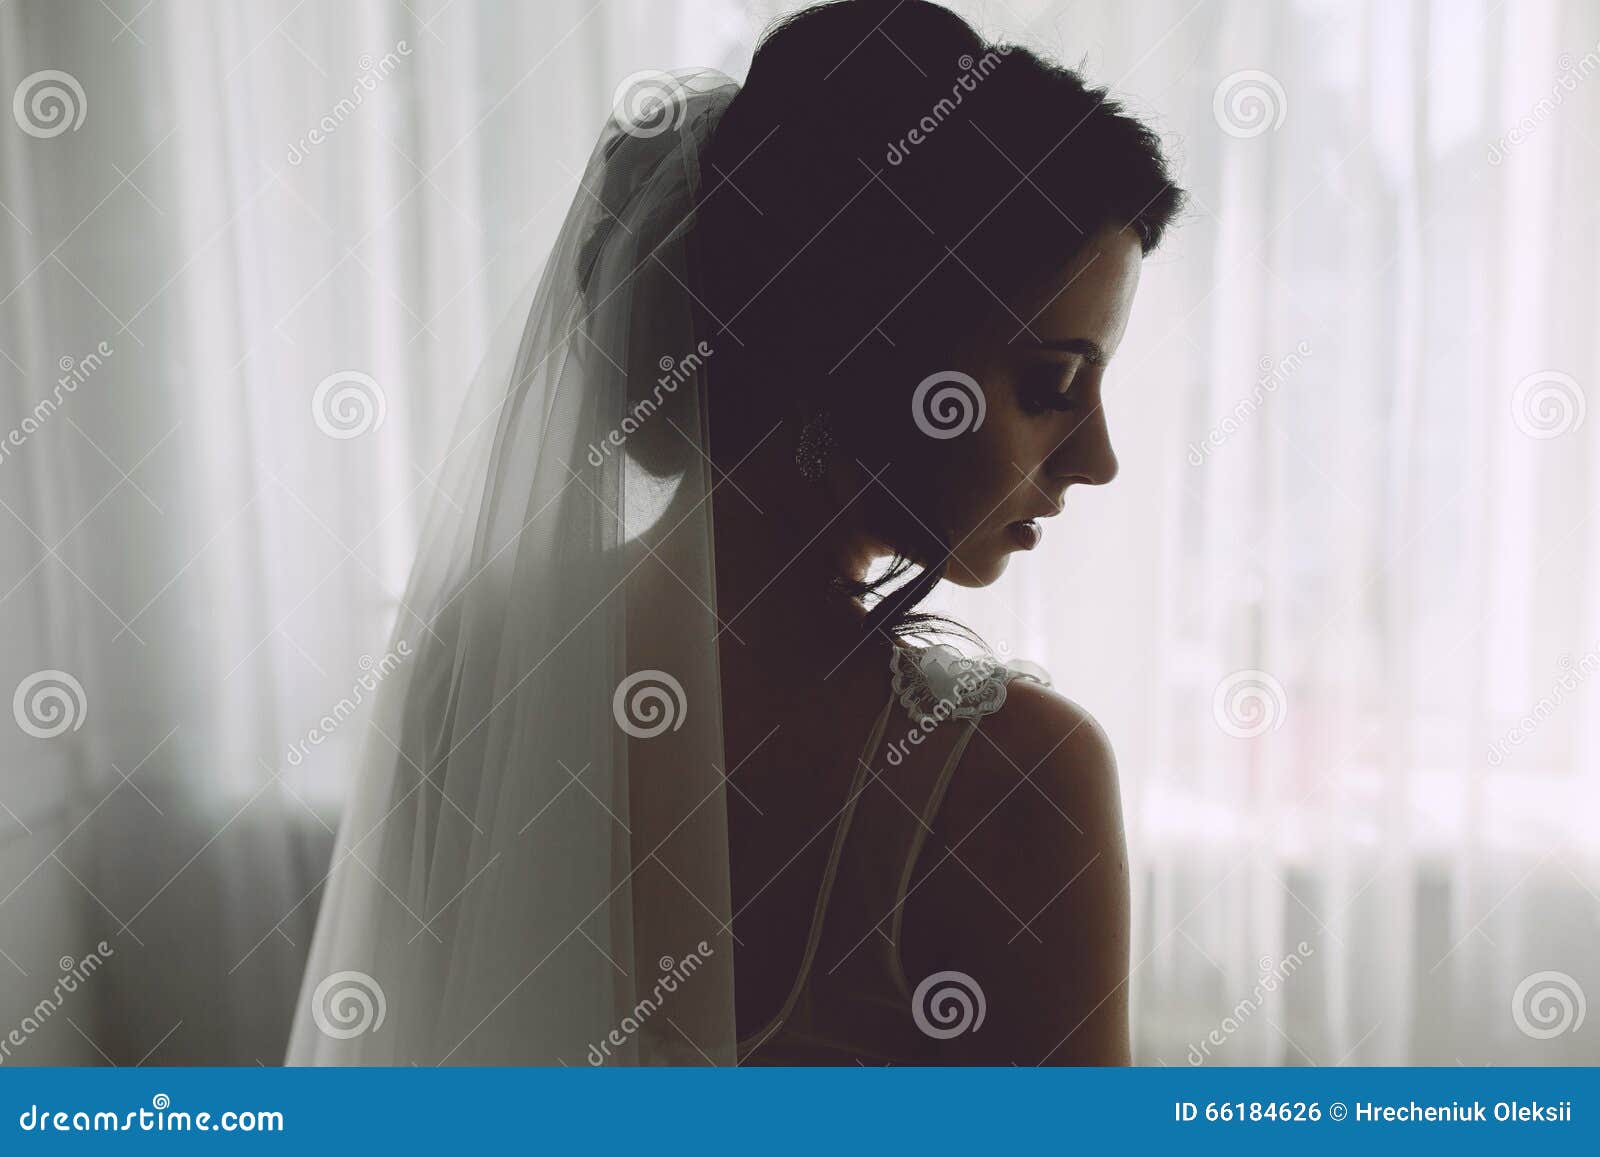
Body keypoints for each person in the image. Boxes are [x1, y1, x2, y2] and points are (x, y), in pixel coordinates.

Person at [286, 0, 1183, 1067]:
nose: (1096, 458)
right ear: (867, 356)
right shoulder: (1013, 778)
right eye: (1051, 385)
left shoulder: (478, 662)